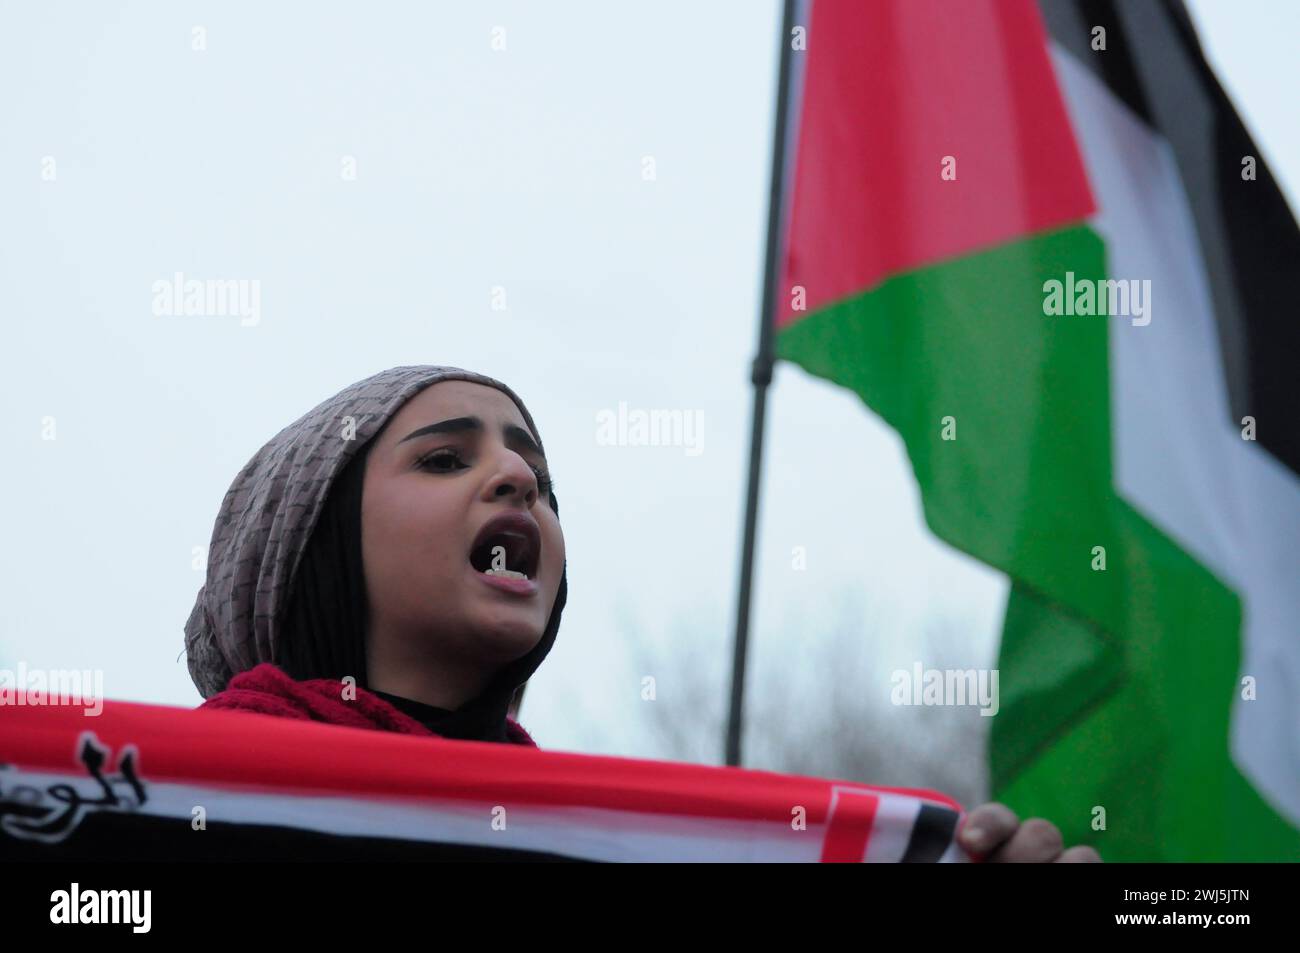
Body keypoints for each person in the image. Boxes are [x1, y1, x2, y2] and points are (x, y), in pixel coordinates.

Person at [184, 364, 1100, 861]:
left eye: (537, 478)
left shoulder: (614, 842)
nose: (516, 479)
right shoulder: (156, 811)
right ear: (307, 548)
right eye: (442, 460)